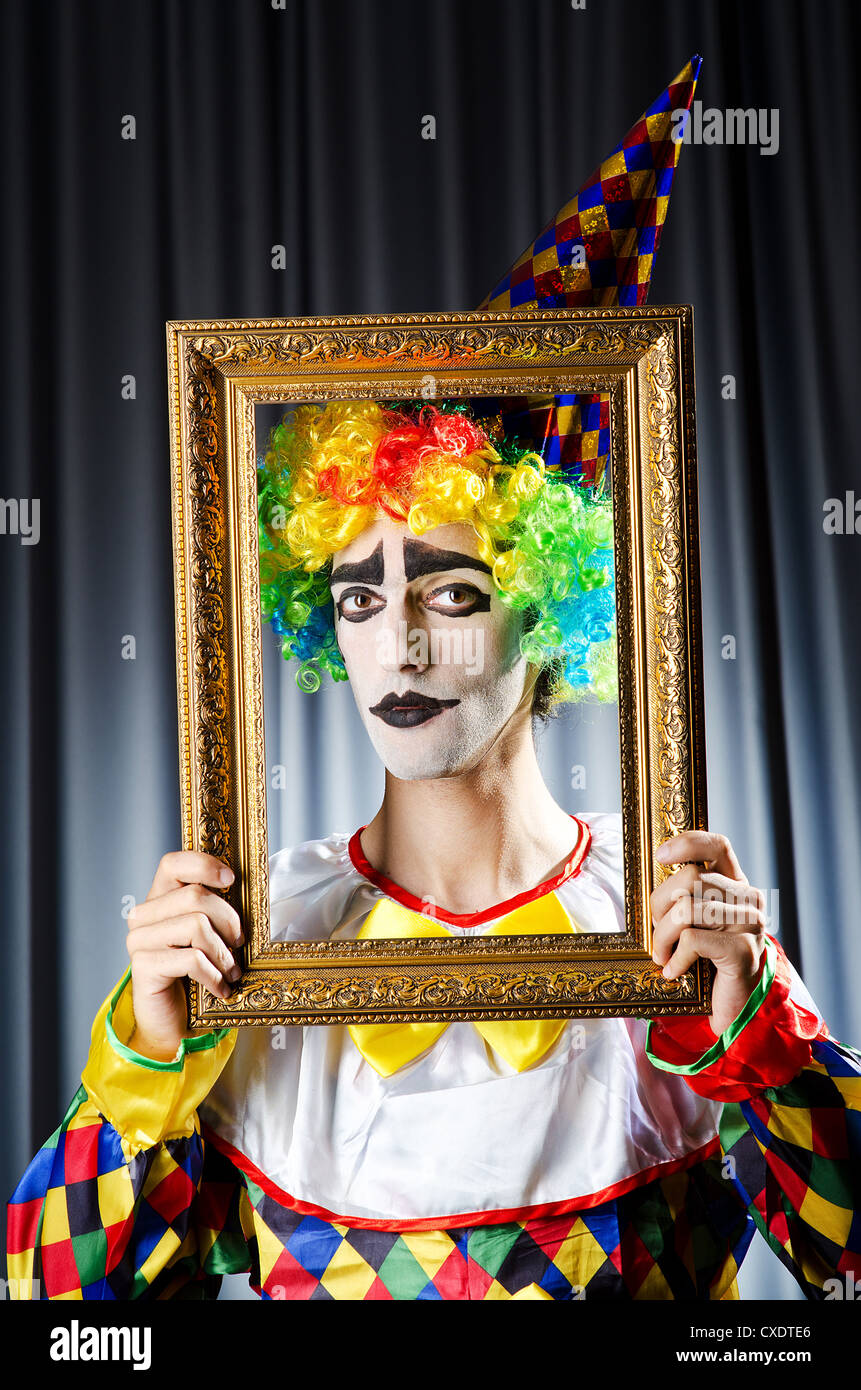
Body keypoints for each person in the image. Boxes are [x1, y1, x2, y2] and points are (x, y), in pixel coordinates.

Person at [7, 400, 860, 1301]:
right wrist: (147, 1063)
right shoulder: (258, 933)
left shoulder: (661, 914)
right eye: (359, 600)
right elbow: (61, 1317)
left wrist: (760, 1037)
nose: (399, 648)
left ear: (548, 608)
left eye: (450, 593)